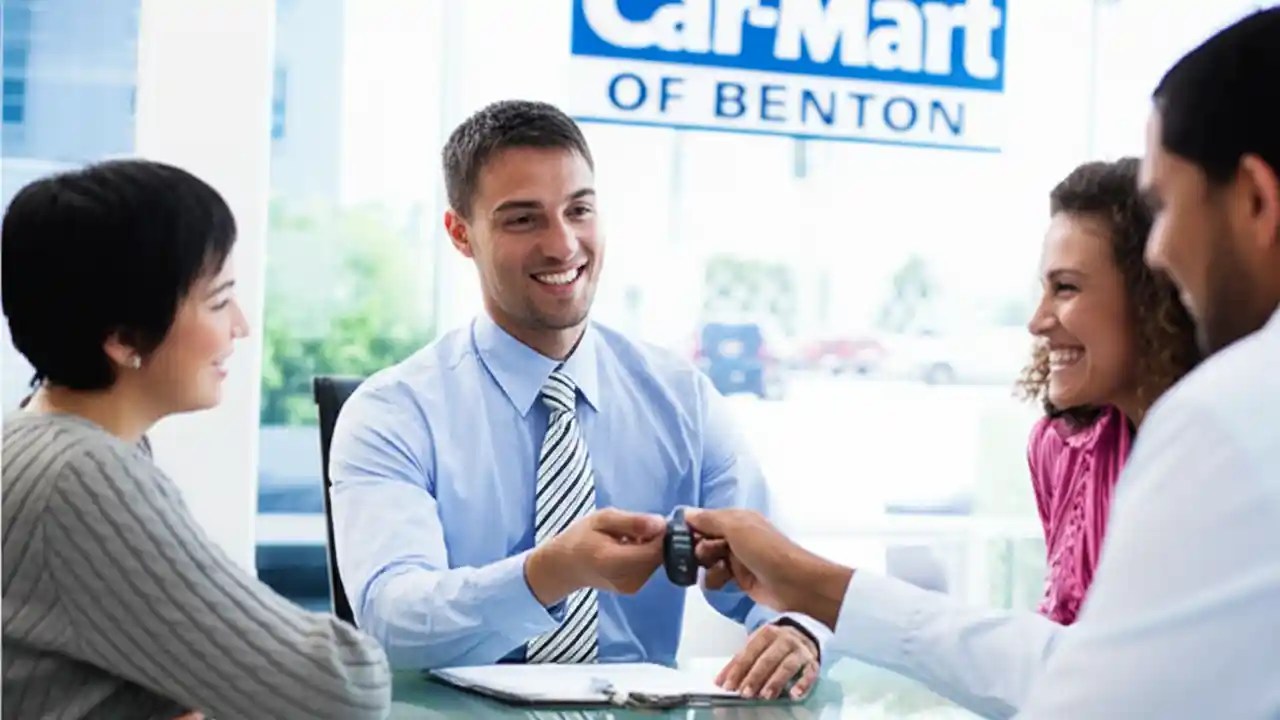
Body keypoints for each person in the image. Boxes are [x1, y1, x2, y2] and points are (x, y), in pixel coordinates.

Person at [685, 8, 1280, 718]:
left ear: (1255, 199)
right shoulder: (1083, 448)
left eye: (1170, 206)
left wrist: (815, 586)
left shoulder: (1228, 418)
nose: (1161, 252)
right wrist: (811, 585)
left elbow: (1082, 692)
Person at [329, 100, 826, 694]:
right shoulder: (393, 411)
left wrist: (797, 629)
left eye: (579, 210)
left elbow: (791, 577)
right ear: (461, 235)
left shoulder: (683, 399)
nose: (563, 246)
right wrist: (552, 571)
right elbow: (390, 621)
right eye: (522, 220)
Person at [1, 160, 392, 720]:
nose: (240, 325)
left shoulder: (45, 442)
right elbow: (340, 690)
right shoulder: (82, 478)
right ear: (123, 336)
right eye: (217, 300)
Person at [1018, 157, 1199, 624]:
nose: (1037, 321)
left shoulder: (1224, 455)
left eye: (1065, 288)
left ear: (1150, 297)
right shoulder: (1057, 450)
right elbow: (1061, 640)